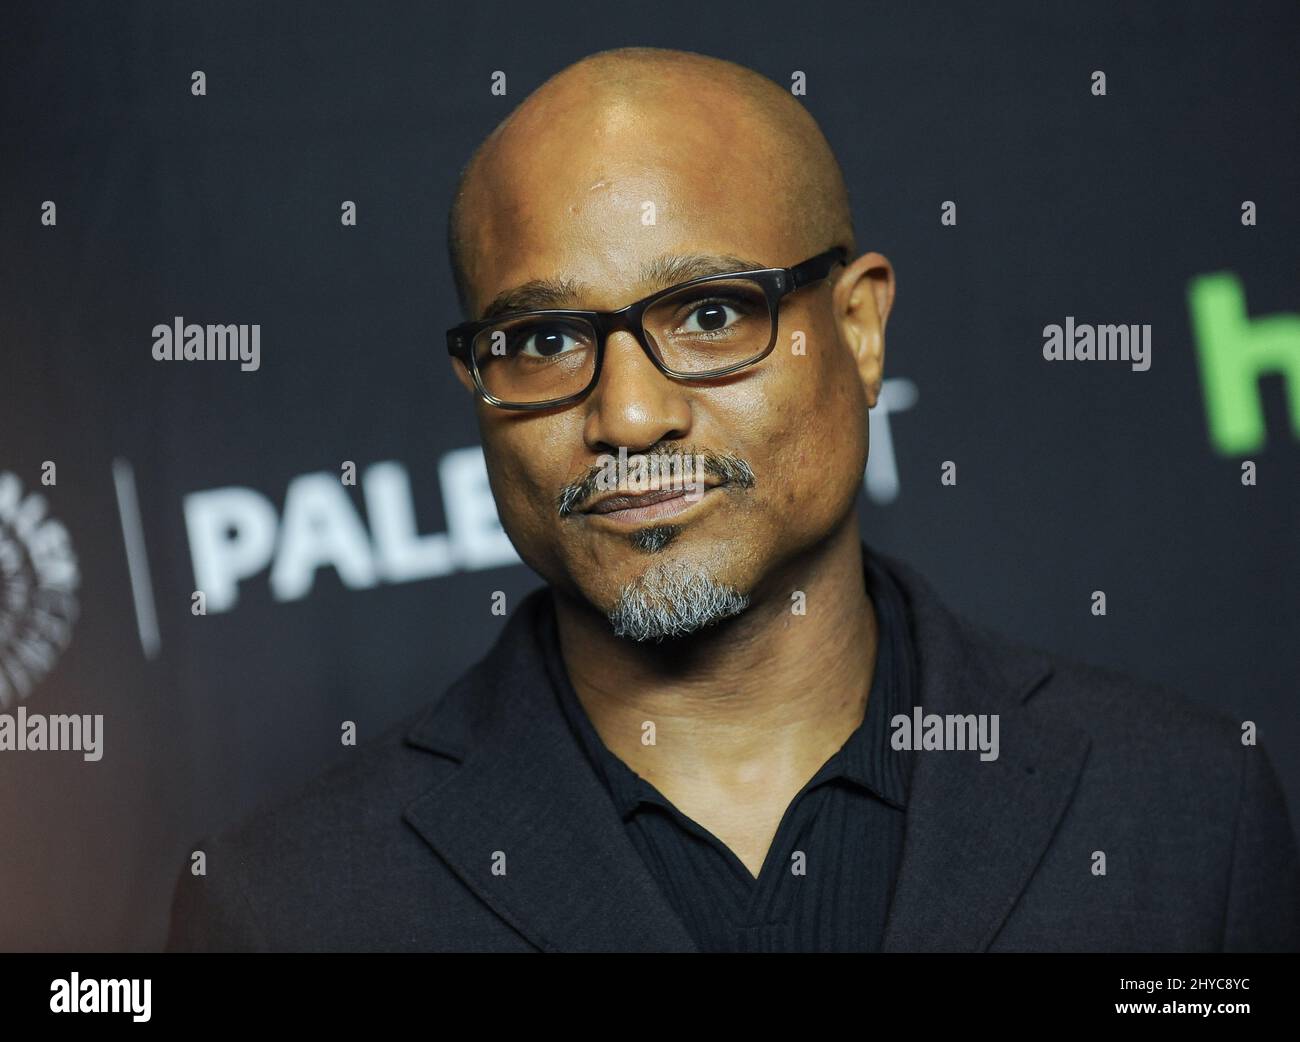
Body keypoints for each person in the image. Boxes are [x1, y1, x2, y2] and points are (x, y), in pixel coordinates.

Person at [166, 46, 1299, 953]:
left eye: (709, 313)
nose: (626, 415)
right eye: (546, 338)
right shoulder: (290, 908)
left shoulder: (1182, 812)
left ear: (856, 332)